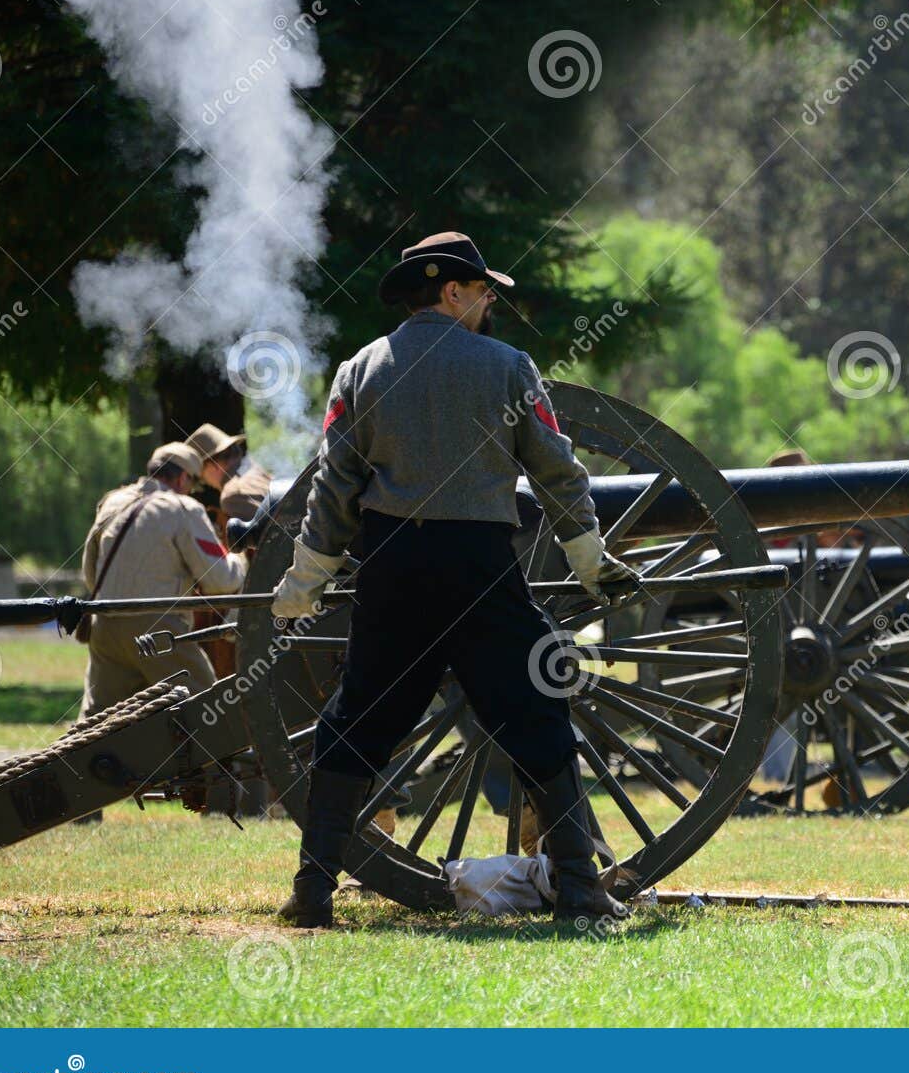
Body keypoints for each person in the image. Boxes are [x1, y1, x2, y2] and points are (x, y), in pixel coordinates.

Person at [269, 230, 638, 929]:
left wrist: (304, 580)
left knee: (357, 717)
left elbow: (333, 485)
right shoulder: (510, 367)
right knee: (535, 705)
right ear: (451, 291)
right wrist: (590, 561)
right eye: (483, 290)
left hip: (393, 564)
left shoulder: (359, 369)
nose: (490, 301)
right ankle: (582, 890)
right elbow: (558, 471)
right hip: (478, 562)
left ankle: (312, 891)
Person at [79, 442, 248, 716]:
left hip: (104, 623)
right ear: (183, 478)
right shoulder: (183, 509)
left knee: (98, 720)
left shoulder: (113, 501)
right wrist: (241, 561)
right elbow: (221, 580)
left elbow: (90, 573)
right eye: (191, 483)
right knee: (211, 710)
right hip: (156, 629)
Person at [185, 422, 273, 526]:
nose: (205, 481)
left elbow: (268, 538)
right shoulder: (256, 469)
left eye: (201, 475)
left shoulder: (232, 496)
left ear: (213, 465)